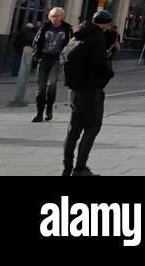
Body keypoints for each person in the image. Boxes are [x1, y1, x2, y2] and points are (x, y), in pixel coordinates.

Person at [61, 9, 115, 177]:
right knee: (93, 126)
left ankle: (67, 167)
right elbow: (101, 63)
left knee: (74, 129)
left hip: (75, 90)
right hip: (91, 90)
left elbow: (64, 56)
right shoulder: (97, 38)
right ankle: (80, 167)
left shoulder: (77, 35)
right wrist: (108, 73)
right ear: (105, 24)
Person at [30, 8, 72, 122]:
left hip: (56, 61)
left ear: (62, 16)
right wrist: (37, 56)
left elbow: (69, 45)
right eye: (53, 16)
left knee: (51, 86)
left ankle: (49, 110)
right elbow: (36, 41)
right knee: (41, 88)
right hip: (43, 59)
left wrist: (65, 58)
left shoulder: (67, 28)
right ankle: (39, 113)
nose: (55, 18)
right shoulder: (45, 27)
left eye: (57, 16)